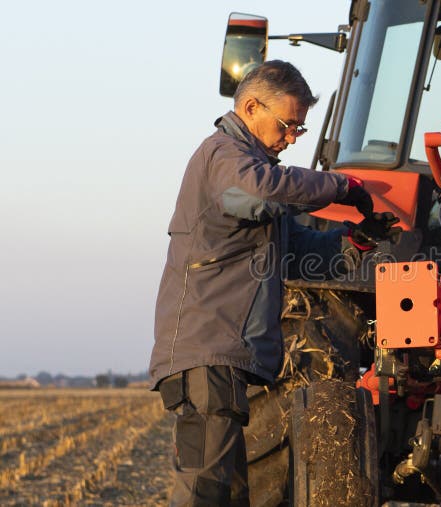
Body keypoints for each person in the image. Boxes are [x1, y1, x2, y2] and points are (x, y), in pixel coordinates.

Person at [149, 60, 384, 506]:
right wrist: (339, 186)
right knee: (204, 492)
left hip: (227, 359)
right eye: (288, 124)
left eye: (300, 128)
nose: (293, 137)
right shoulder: (224, 158)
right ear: (251, 106)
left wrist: (356, 242)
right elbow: (263, 192)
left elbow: (299, 255)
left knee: (234, 496)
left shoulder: (253, 175)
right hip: (206, 354)